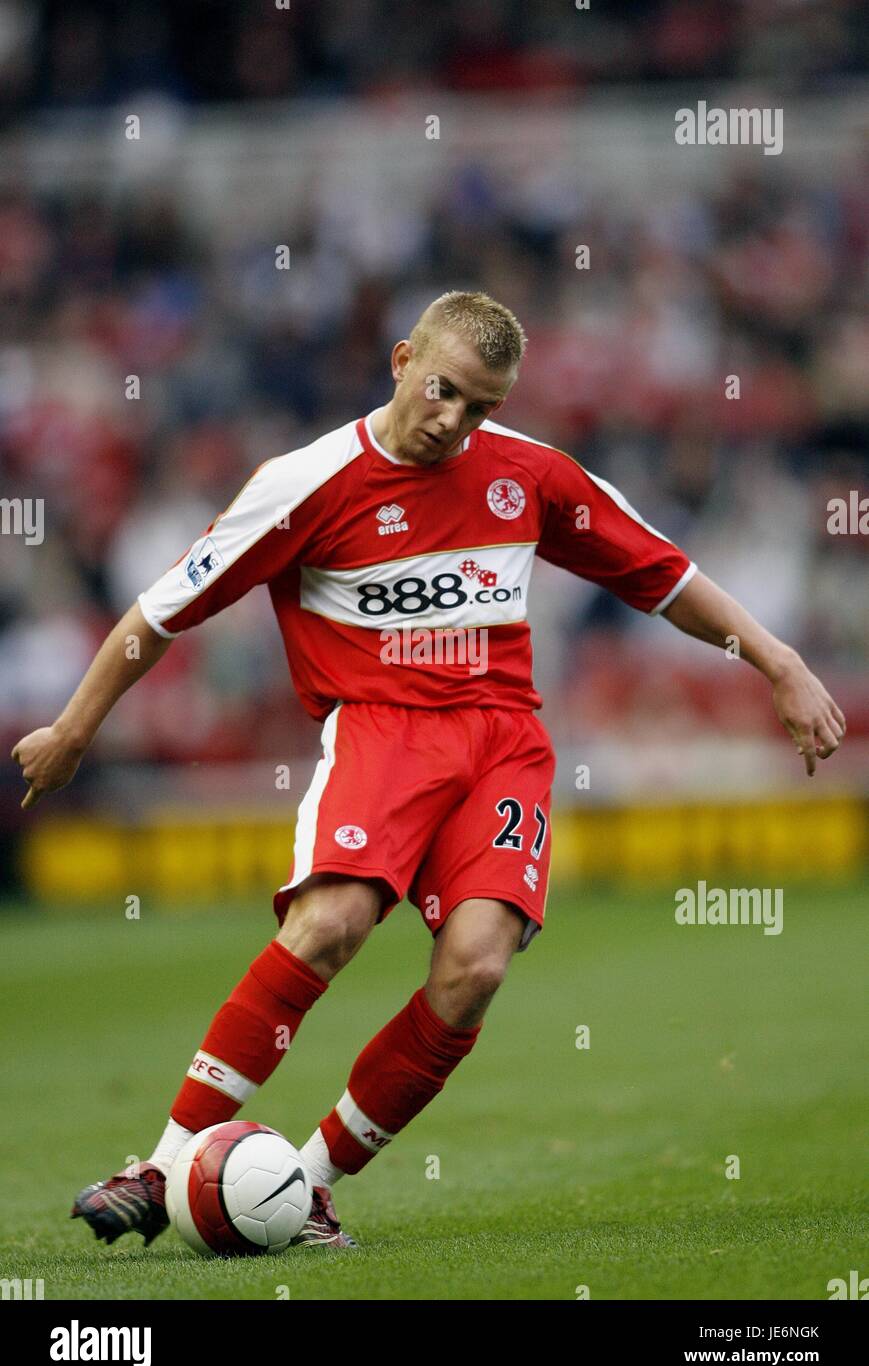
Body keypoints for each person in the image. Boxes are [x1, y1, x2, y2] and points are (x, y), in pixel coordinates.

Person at [11, 291, 846, 1249]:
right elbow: (161, 613)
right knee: (331, 923)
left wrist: (778, 663)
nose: (455, 419)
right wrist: (75, 728)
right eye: (444, 390)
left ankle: (305, 1185)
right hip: (381, 732)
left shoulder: (530, 477)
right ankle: (158, 1169)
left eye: (482, 406)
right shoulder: (305, 481)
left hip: (501, 743)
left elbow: (664, 576)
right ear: (403, 361)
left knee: (476, 967)